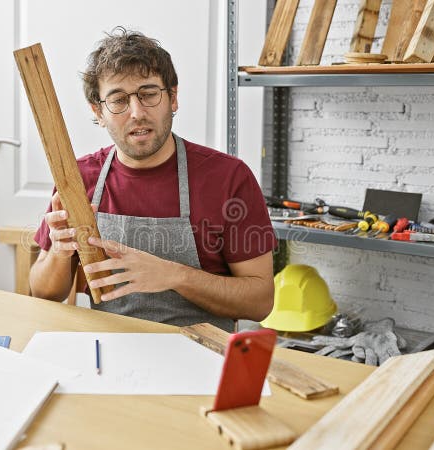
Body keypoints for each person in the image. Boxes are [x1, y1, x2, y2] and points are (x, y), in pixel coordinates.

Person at [29, 27, 276, 332]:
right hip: (109, 350)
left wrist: (174, 275)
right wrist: (59, 252)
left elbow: (260, 302)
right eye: (118, 100)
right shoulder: (77, 179)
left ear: (172, 98)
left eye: (148, 94)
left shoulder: (228, 179)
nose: (136, 113)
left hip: (199, 356)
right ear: (98, 111)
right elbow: (42, 292)